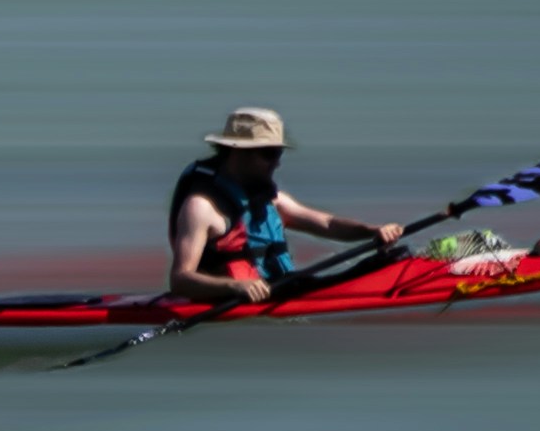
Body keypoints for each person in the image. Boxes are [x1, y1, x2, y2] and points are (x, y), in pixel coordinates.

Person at [165, 106, 404, 304]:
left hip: (282, 288)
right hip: (232, 300)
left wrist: (372, 231)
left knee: (391, 259)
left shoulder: (270, 198)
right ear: (238, 152)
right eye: (269, 153)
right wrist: (235, 286)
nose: (277, 163)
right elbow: (180, 280)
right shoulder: (201, 208)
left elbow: (327, 223)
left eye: (279, 153)